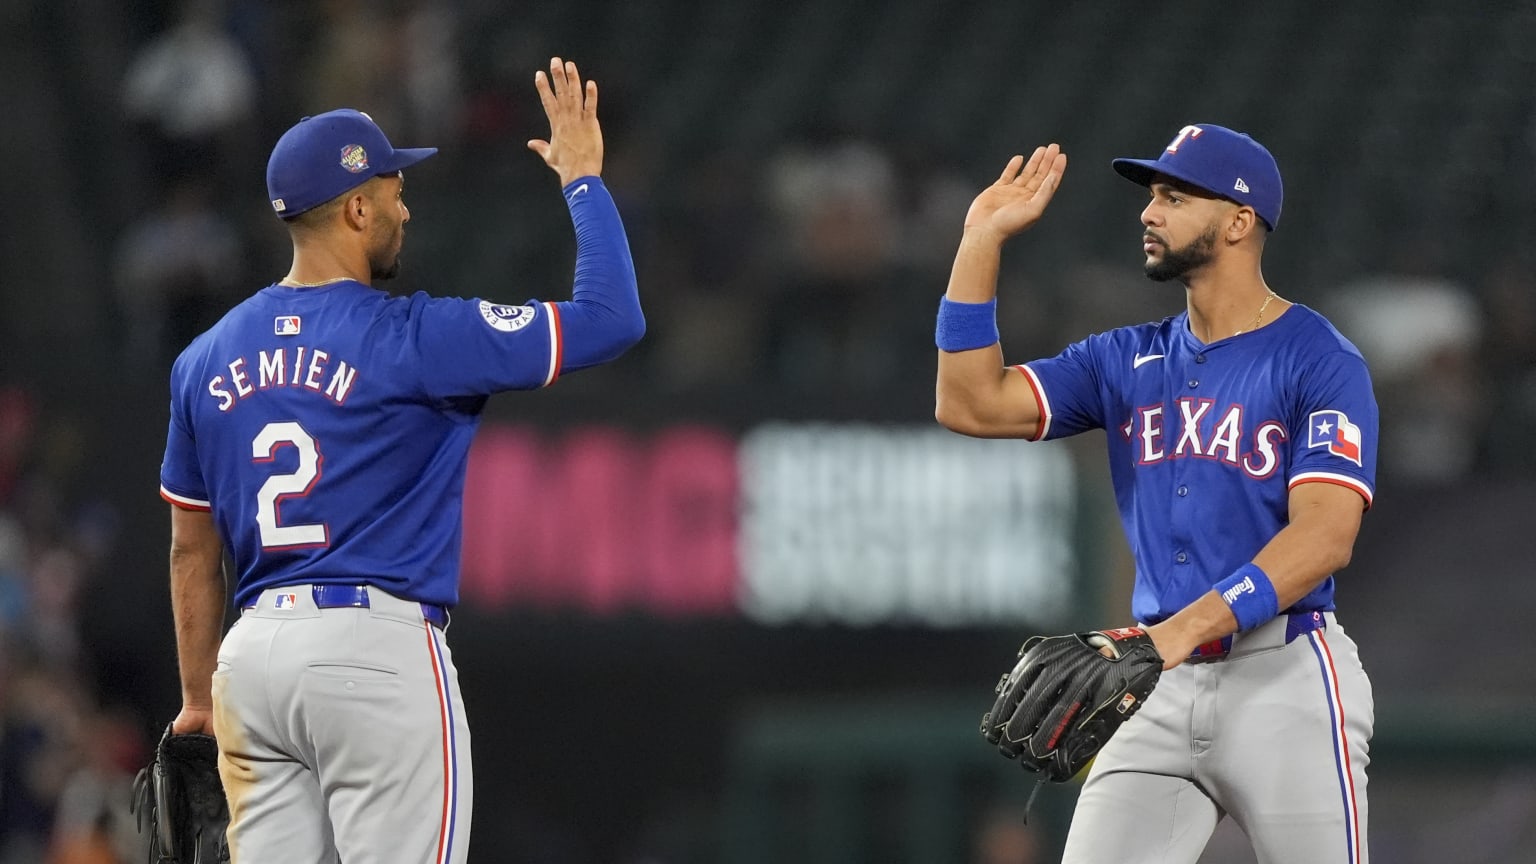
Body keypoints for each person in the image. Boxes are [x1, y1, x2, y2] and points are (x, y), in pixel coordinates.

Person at [157, 57, 643, 863]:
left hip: (252, 665)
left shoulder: (203, 360)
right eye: (392, 194)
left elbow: (190, 546)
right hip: (371, 654)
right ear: (354, 209)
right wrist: (584, 181)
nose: (405, 210)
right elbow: (610, 318)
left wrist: (196, 698)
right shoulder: (415, 336)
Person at [935, 125, 1376, 863]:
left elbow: (1325, 537)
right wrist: (980, 241)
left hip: (1285, 678)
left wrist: (1175, 634)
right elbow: (968, 403)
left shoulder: (1319, 358)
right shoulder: (1125, 358)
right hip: (1157, 682)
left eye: (1175, 196)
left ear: (1239, 222)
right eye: (1151, 195)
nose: (1149, 211)